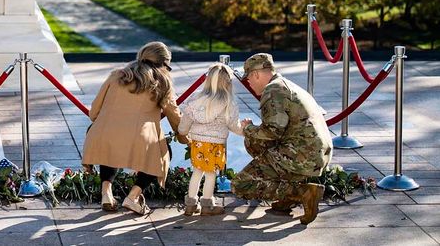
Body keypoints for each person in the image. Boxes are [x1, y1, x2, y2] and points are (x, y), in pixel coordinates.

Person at [81, 41, 189, 215]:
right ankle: (133, 196)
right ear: (163, 64)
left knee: (111, 145)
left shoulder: (116, 75)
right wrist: (186, 139)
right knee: (163, 151)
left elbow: (94, 112)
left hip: (102, 134)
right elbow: (175, 118)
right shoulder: (162, 83)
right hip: (141, 139)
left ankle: (106, 193)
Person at [231, 53, 333, 225]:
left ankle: (301, 192)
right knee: (258, 145)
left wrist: (247, 128)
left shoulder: (273, 90)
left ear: (256, 74)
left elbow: (272, 132)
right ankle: (289, 197)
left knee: (241, 184)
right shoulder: (287, 85)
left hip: (301, 156)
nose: (248, 82)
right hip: (315, 153)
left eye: (248, 77)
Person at [178, 63, 243, 216]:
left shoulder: (196, 98)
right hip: (215, 144)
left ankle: (190, 204)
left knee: (197, 172)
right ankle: (207, 204)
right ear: (228, 82)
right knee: (211, 174)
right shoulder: (228, 102)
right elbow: (234, 125)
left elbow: (185, 121)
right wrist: (246, 130)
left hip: (198, 142)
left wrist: (182, 131)